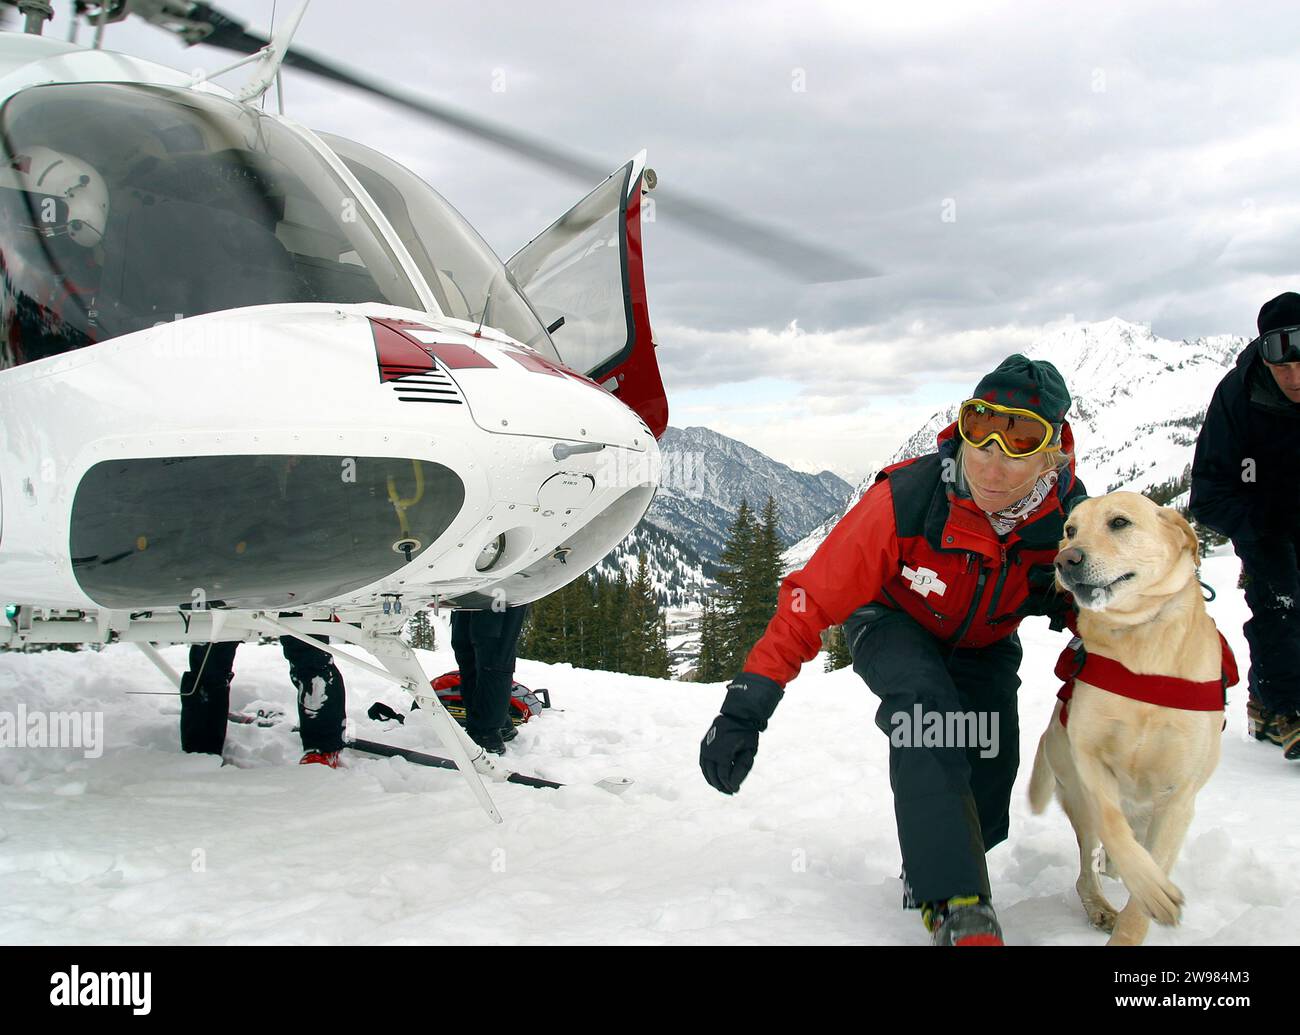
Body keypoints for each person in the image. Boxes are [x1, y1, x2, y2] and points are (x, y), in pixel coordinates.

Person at [699, 354, 1087, 945]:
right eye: (980, 436)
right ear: (962, 431)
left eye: (1021, 444)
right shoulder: (908, 499)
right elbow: (812, 598)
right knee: (927, 716)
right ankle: (957, 906)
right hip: (891, 620)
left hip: (985, 643)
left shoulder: (1068, 522)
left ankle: (937, 861)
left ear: (1053, 453)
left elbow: (1098, 604)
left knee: (988, 764)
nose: (993, 463)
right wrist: (744, 708)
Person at [1190, 291, 1300, 762]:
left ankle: (1264, 701)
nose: (1295, 378)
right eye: (1283, 367)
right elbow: (1208, 493)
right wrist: (1260, 524)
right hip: (1264, 523)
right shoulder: (1237, 396)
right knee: (1281, 606)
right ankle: (1288, 712)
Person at [180, 634, 347, 766]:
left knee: (309, 653)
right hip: (225, 595)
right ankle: (200, 749)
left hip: (293, 594)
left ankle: (323, 748)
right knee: (208, 659)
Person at [450, 603, 531, 754]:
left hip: (502, 589)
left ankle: (487, 735)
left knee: (493, 654)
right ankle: (493, 720)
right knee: (464, 646)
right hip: (471, 590)